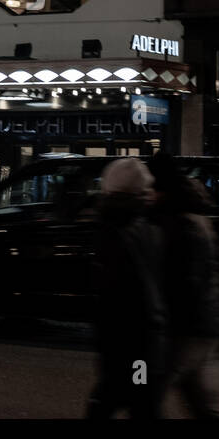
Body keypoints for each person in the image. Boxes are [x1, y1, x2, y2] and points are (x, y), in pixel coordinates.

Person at [148, 152, 219, 419]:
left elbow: (182, 281)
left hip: (183, 332)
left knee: (146, 393)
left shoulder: (177, 221)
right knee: (206, 406)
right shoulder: (196, 214)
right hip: (205, 327)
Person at [86, 157, 166, 420]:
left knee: (115, 401)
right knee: (141, 402)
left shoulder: (112, 230)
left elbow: (117, 291)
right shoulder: (149, 226)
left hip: (127, 342)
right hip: (145, 342)